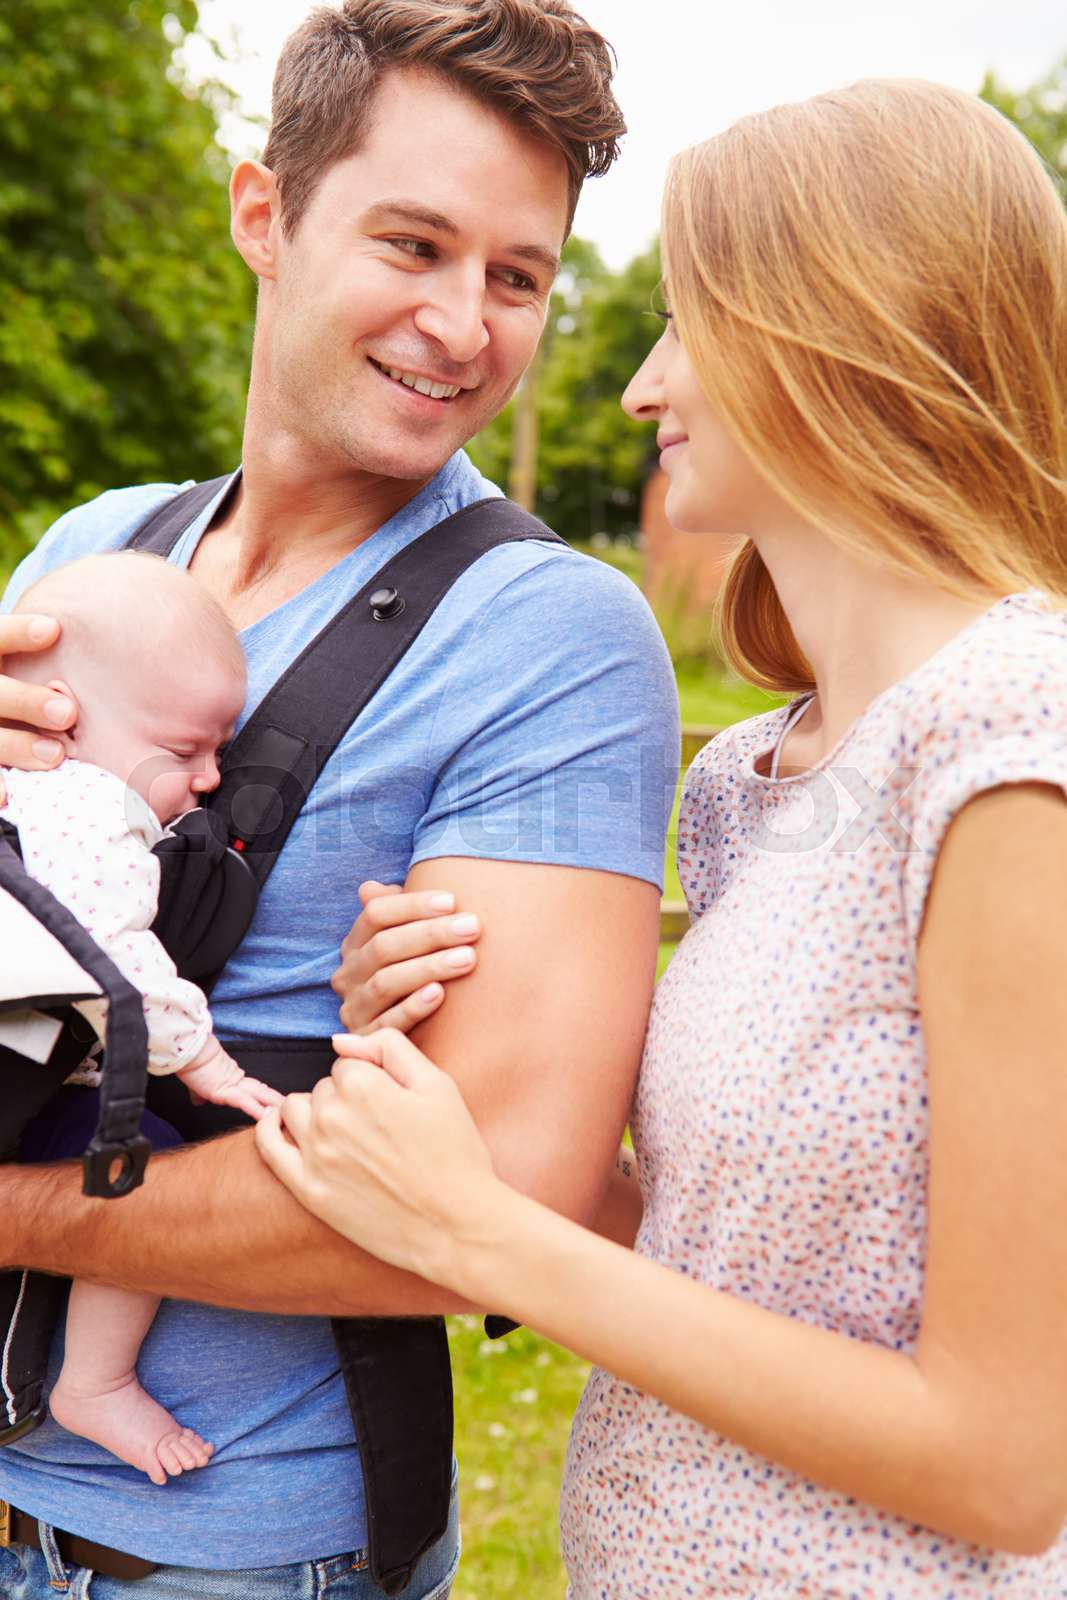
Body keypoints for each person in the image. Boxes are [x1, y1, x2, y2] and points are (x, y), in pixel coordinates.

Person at [257, 79, 1067, 1598]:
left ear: (842, 332)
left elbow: (1003, 1458)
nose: (638, 385)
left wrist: (481, 1237)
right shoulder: (756, 775)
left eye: (686, 320)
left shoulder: (1013, 736)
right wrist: (450, 1086)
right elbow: (716, 1271)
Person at [0, 4, 678, 1598]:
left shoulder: (551, 637)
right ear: (263, 214)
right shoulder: (100, 549)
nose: (462, 325)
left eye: (516, 277)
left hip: (232, 1555)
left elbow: (511, 1182)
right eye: (414, 244)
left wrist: (17, 1212)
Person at [3, 552, 286, 1488]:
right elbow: (114, 962)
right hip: (36, 1069)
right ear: (63, 713)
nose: (208, 778)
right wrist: (199, 1060)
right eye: (186, 748)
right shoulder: (87, 805)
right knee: (143, 1172)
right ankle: (97, 1379)